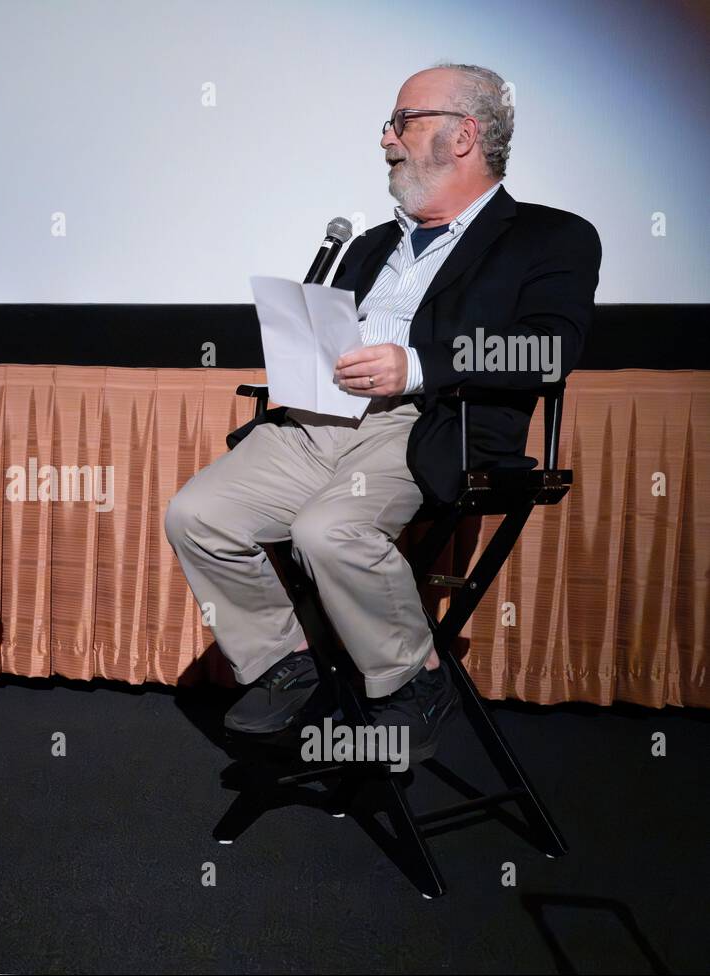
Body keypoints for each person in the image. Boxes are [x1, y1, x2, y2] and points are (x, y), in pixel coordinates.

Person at [165, 63, 601, 760]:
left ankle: (415, 677)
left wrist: (418, 364)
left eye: (402, 122)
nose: (385, 139)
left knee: (328, 530)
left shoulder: (549, 238)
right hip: (321, 423)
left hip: (427, 424)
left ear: (463, 136)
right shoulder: (371, 245)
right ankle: (289, 664)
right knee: (197, 515)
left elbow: (548, 349)